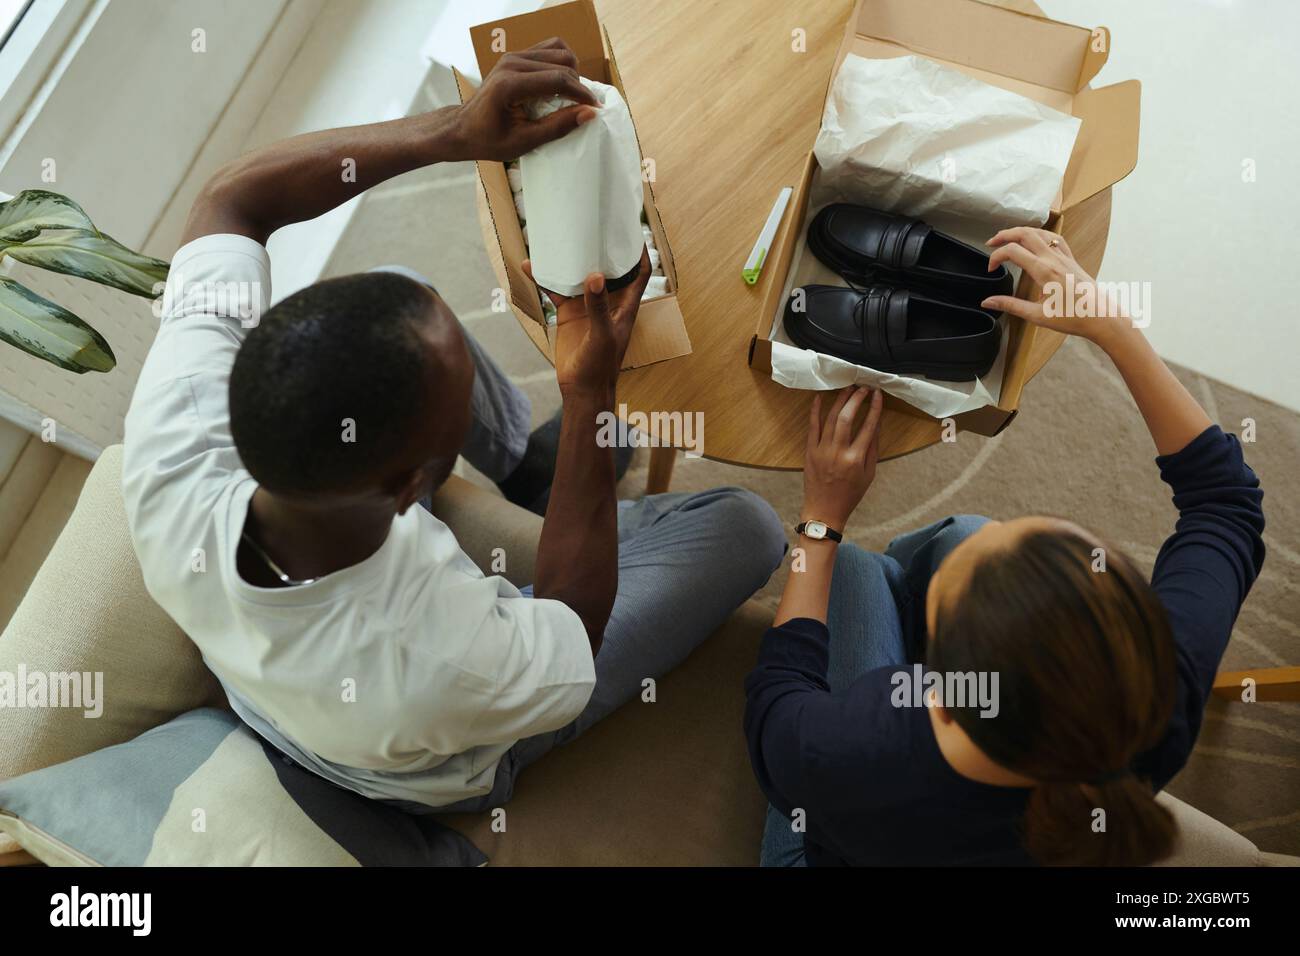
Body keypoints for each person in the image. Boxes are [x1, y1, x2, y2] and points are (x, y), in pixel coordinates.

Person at [122, 38, 785, 813]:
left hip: (284, 668)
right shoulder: (439, 660)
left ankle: (528, 477)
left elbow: (230, 201)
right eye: (455, 414)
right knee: (748, 526)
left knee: (399, 295)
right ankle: (556, 479)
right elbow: (575, 622)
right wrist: (587, 396)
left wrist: (452, 131)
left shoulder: (178, 440)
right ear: (411, 487)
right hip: (428, 762)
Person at [745, 226, 1265, 866]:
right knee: (965, 535)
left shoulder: (858, 752)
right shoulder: (1152, 696)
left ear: (941, 694)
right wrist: (1112, 328)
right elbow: (1227, 504)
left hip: (852, 841)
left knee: (848, 567)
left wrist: (821, 520)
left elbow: (776, 703)